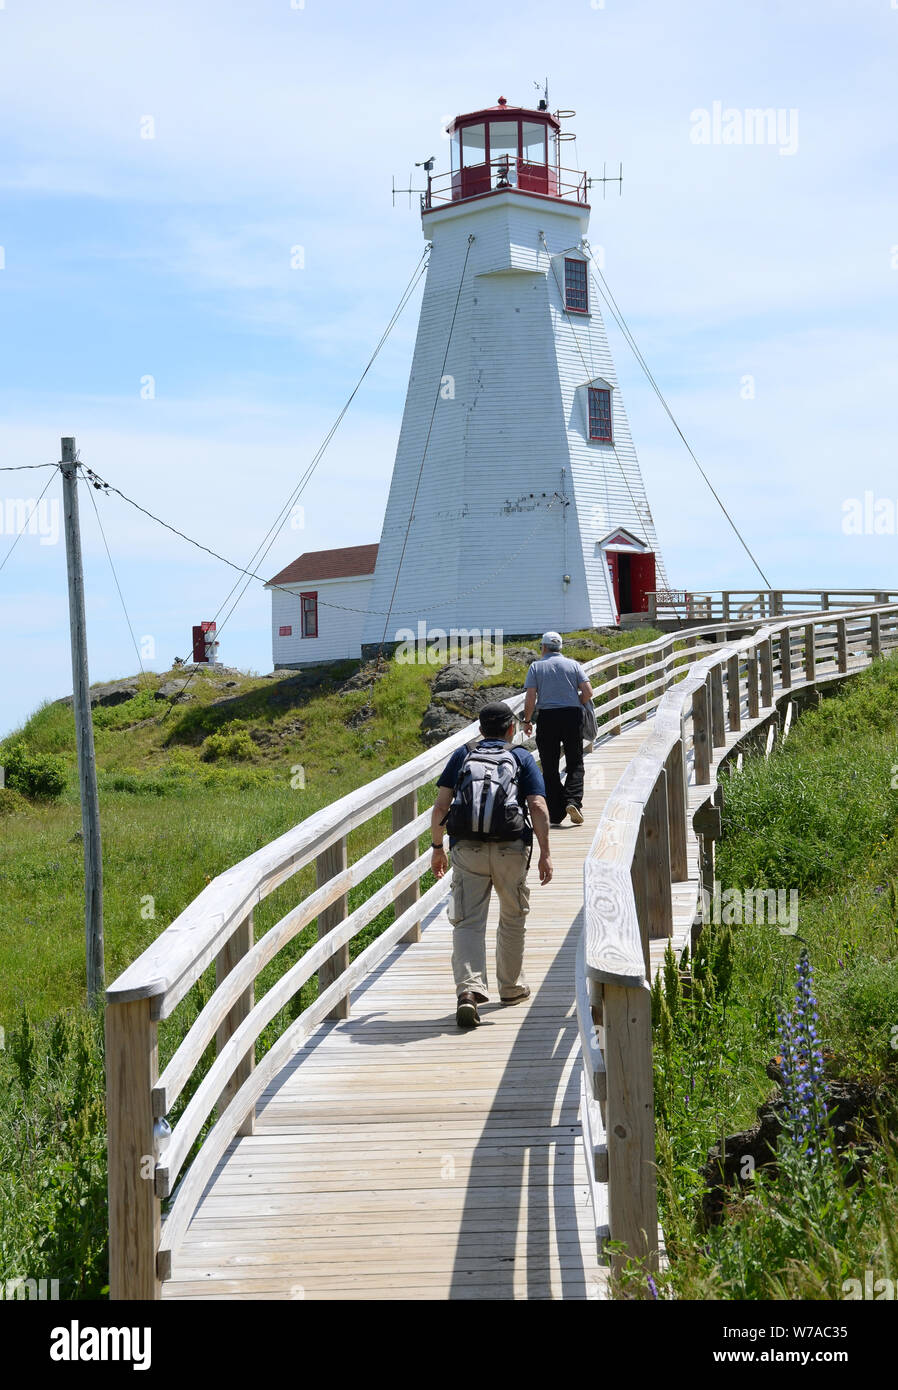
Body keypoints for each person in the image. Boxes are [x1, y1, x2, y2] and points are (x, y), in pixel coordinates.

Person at [430, 701, 553, 1028]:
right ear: (511, 728)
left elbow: (441, 805)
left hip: (467, 848)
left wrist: (436, 847)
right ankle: (511, 988)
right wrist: (545, 852)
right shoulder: (521, 756)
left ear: (480, 729)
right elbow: (538, 806)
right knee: (512, 917)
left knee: (468, 921)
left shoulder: (462, 755)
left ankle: (469, 992)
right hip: (510, 848)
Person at [521, 631, 593, 827]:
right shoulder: (573, 665)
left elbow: (530, 697)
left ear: (543, 647)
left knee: (550, 766)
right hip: (572, 715)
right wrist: (574, 702)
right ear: (560, 647)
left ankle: (556, 811)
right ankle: (573, 801)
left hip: (548, 718)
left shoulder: (536, 667)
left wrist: (527, 720)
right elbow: (588, 692)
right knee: (575, 761)